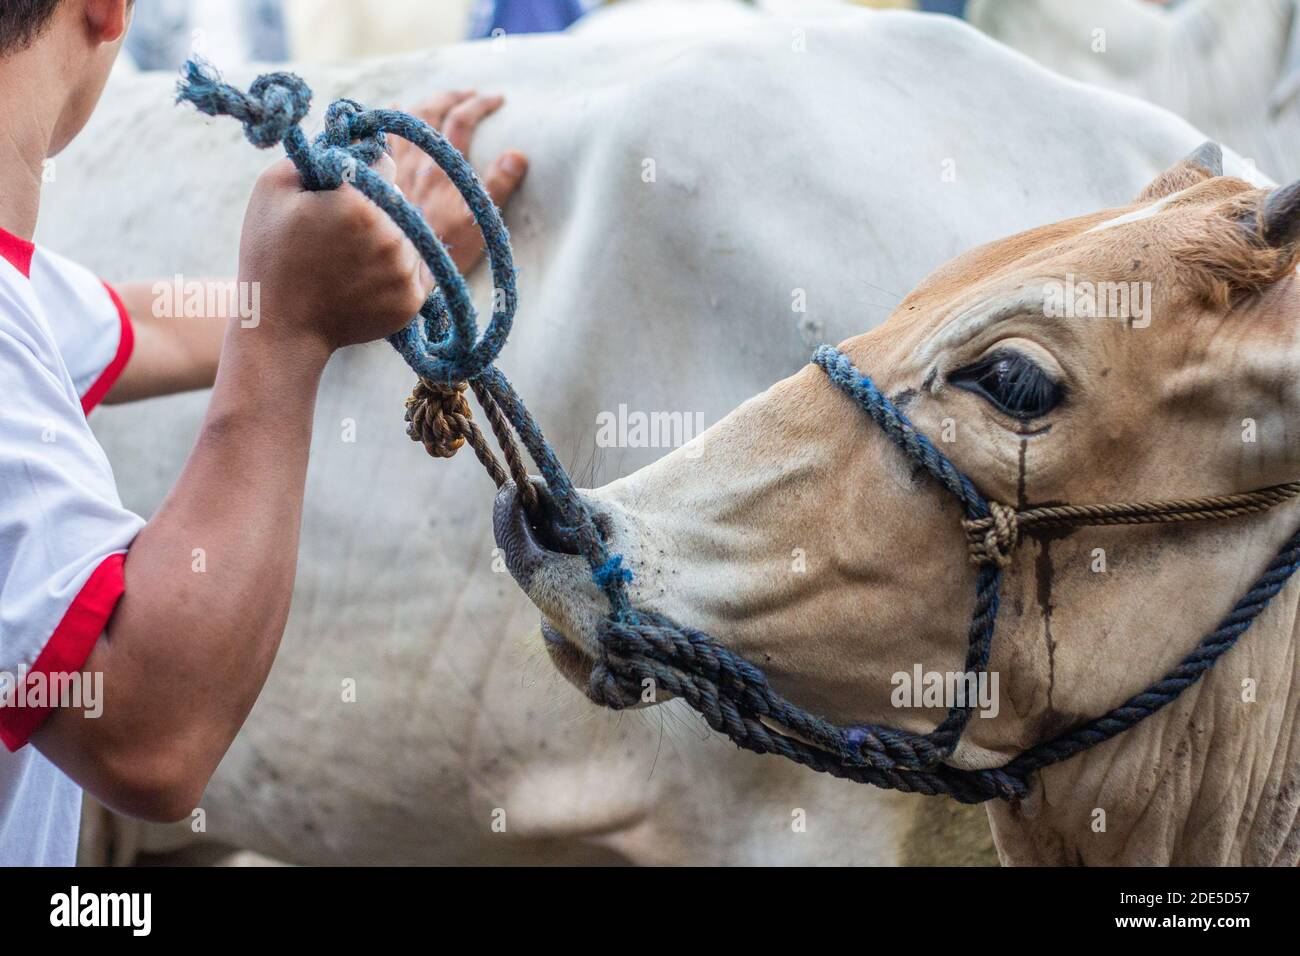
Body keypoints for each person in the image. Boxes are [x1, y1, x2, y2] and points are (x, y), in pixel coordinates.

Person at [0, 0, 527, 865]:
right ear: (106, 10)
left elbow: (160, 325)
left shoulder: (22, 291)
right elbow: (147, 737)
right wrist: (290, 334)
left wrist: (390, 255)